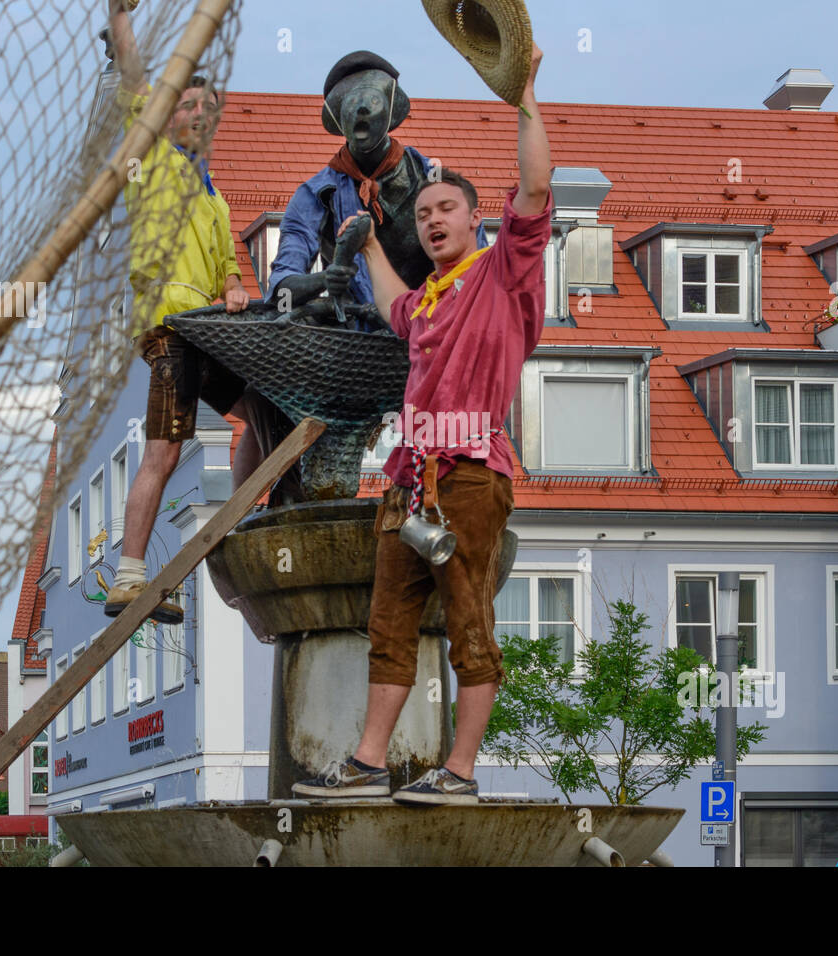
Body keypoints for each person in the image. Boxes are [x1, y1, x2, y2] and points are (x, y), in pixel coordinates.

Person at [292, 43, 551, 805]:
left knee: (469, 623)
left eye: (447, 211)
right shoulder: (429, 301)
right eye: (425, 214)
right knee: (388, 621)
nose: (433, 221)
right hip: (411, 482)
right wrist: (370, 240)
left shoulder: (505, 275)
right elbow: (389, 304)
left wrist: (526, 98)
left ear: (476, 219)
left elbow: (535, 188)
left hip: (471, 473)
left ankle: (460, 773)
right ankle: (369, 763)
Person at [102, 0, 287, 623]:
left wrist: (236, 281)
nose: (198, 115)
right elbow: (133, 82)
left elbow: (227, 266)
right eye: (188, 105)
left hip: (208, 331)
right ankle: (128, 576)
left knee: (262, 411)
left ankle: (235, 519)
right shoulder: (151, 161)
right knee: (164, 450)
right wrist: (120, 17)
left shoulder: (214, 195)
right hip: (169, 326)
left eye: (207, 110)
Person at [268, 51, 485, 325]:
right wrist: (326, 278)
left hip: (427, 333)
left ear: (391, 112)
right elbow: (281, 292)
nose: (361, 110)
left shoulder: (432, 180)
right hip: (353, 347)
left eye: (371, 101)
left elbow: (476, 273)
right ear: (339, 119)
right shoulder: (315, 195)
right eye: (351, 105)